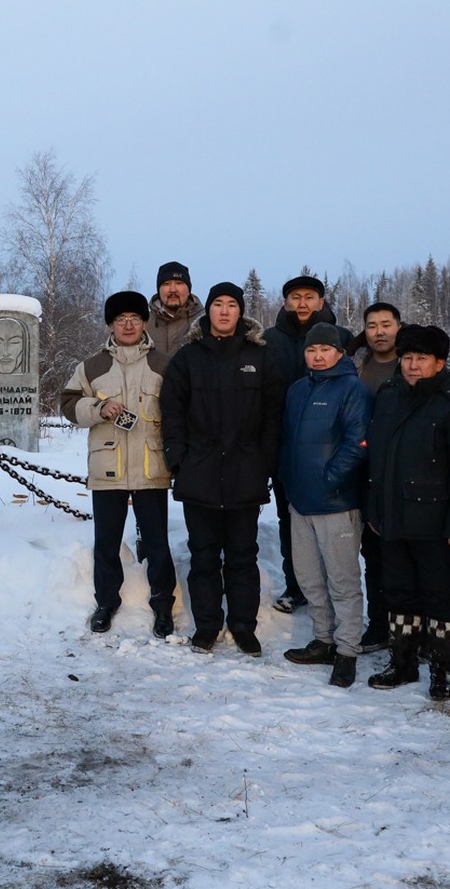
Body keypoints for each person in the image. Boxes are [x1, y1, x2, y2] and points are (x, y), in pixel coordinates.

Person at [161, 282, 285, 656]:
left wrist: (264, 461)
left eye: (233, 305)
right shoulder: (188, 358)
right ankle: (208, 626)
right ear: (209, 311)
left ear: (241, 312)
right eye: (219, 304)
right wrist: (178, 459)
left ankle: (244, 626)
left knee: (243, 555)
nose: (225, 311)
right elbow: (172, 412)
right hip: (199, 471)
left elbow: (273, 415)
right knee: (203, 555)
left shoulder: (260, 357)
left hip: (245, 472)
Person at [363, 324, 450, 699]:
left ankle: (444, 670)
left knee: (439, 596)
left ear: (440, 362)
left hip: (435, 523)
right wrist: (374, 511)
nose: (413, 366)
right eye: (408, 358)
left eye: (422, 359)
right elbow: (376, 461)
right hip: (391, 518)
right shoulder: (388, 396)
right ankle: (402, 663)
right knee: (397, 592)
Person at [60, 290, 177, 638]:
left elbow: (180, 408)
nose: (128, 325)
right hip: (108, 468)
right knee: (106, 543)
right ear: (111, 324)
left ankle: (162, 604)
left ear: (145, 323)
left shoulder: (164, 363)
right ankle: (106, 602)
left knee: (158, 543)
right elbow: (68, 404)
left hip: (150, 468)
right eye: (120, 319)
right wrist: (97, 409)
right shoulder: (92, 366)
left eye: (135, 319)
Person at [279, 326, 372, 687]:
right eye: (311, 349)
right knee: (309, 578)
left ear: (339, 353)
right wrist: (289, 478)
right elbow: (288, 440)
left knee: (342, 580)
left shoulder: (353, 389)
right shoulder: (298, 390)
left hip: (336, 503)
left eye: (325, 349)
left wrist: (328, 478)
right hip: (300, 502)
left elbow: (359, 442)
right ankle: (324, 640)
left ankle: (347, 651)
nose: (317, 356)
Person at [262, 274, 353, 614]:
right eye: (295, 297)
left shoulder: (343, 338)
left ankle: (336, 590)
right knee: (291, 521)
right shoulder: (269, 340)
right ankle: (297, 585)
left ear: (321, 301)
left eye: (309, 297)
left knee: (334, 525)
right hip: (285, 447)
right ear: (286, 301)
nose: (302, 303)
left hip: (331, 450)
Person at [353, 301, 402, 651]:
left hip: (403, 473)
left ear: (398, 327)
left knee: (404, 554)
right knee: (372, 554)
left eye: (386, 324)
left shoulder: (412, 364)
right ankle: (379, 624)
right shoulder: (356, 365)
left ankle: (413, 627)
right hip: (364, 471)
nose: (379, 332)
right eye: (372, 325)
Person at [145, 261, 203, 356]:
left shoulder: (205, 323)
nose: (173, 289)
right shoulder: (143, 324)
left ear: (189, 289)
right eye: (166, 284)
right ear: (159, 290)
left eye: (179, 283)